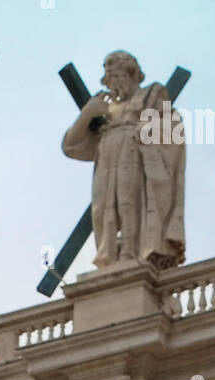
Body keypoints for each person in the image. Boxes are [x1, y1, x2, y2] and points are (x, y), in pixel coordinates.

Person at [62, 51, 185, 269]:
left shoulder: (152, 95)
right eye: (109, 78)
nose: (113, 82)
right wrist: (87, 114)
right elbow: (70, 145)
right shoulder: (103, 108)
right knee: (100, 209)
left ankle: (130, 253)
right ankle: (107, 257)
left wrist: (145, 131)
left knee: (129, 203)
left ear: (132, 73)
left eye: (118, 75)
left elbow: (171, 126)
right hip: (106, 156)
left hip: (136, 154)